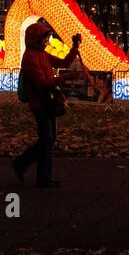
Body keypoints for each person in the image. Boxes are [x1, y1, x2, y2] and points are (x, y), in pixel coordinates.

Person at [12, 23, 83, 188]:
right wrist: (66, 78)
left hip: (47, 101)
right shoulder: (30, 57)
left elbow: (64, 63)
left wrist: (74, 47)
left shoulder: (42, 55)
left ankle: (24, 166)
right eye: (45, 38)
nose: (47, 41)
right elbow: (43, 83)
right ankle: (40, 175)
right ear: (36, 39)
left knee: (49, 139)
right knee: (47, 139)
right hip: (39, 103)